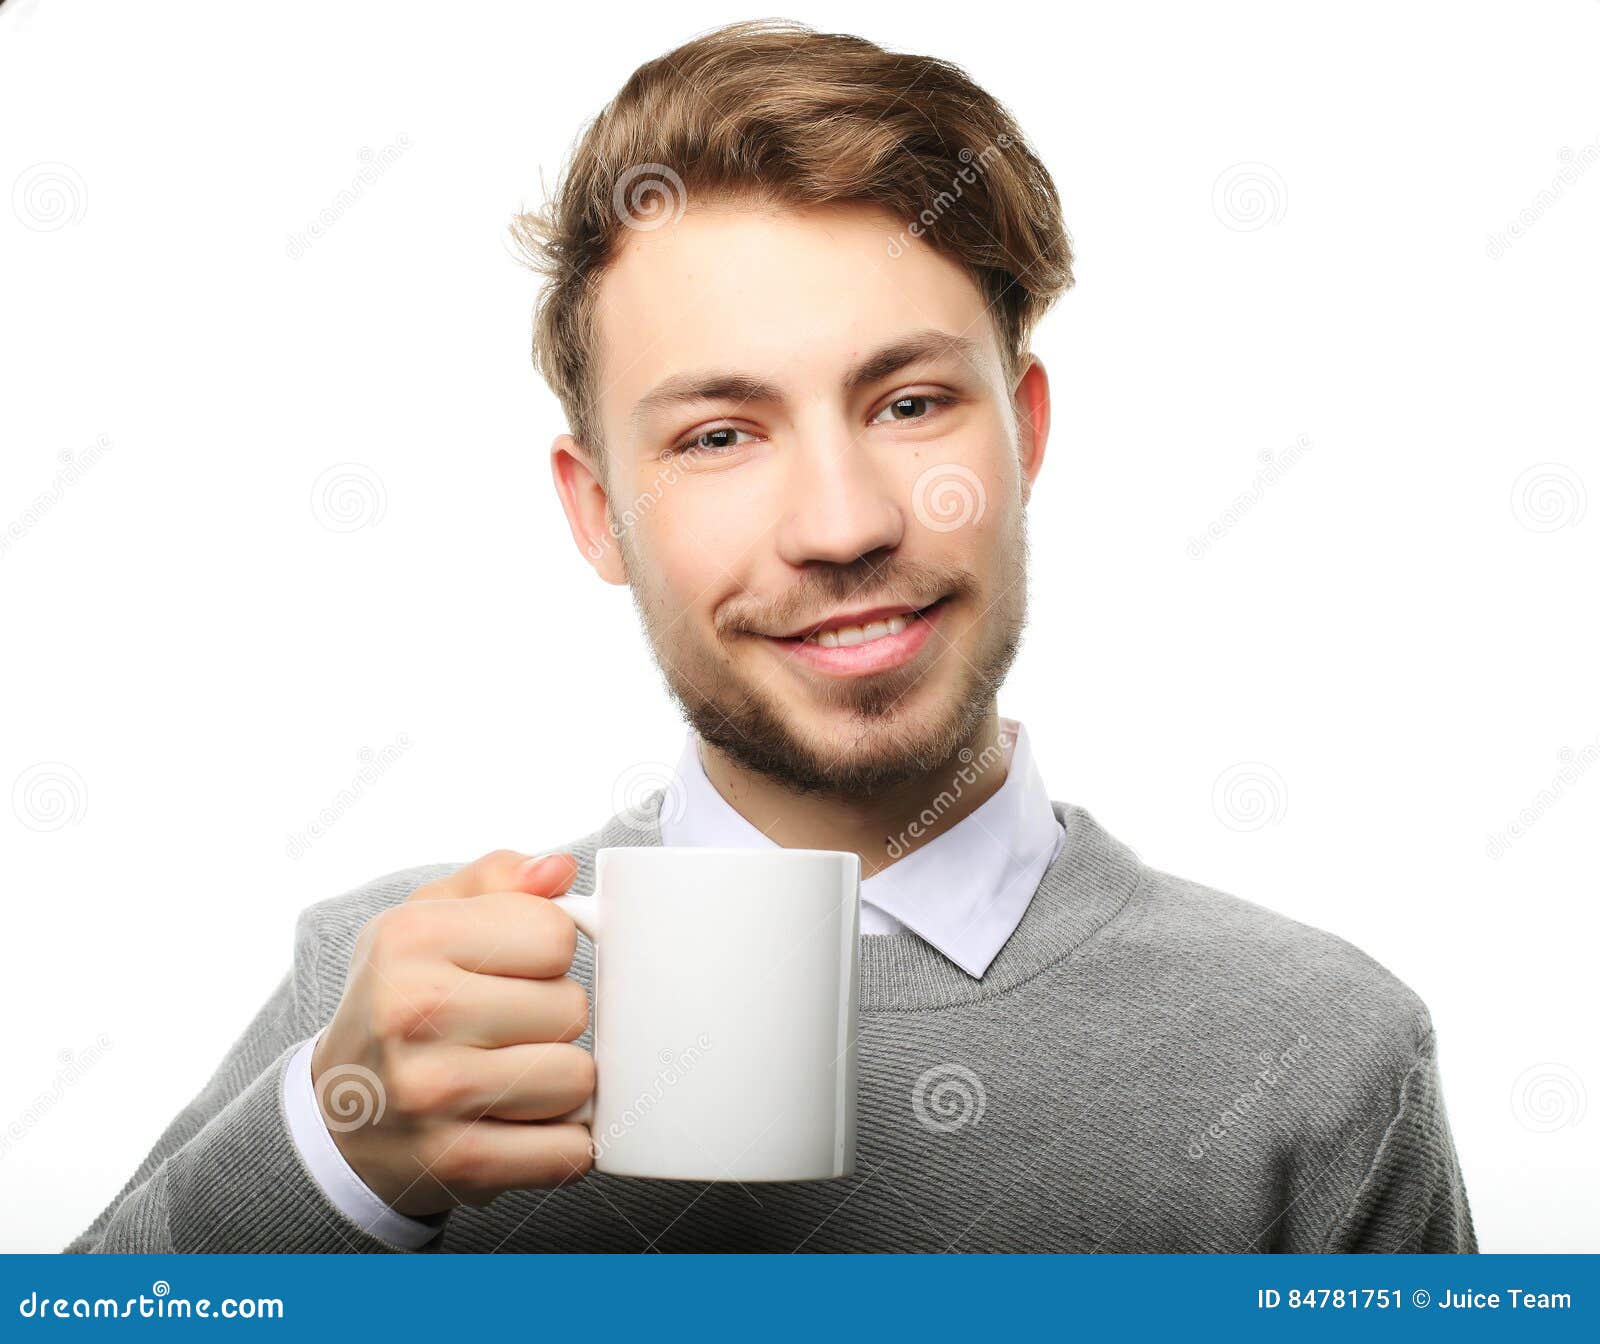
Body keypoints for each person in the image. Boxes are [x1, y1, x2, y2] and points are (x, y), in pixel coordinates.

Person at [68, 19, 1476, 1254]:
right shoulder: (390, 995)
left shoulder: (1321, 1057)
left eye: (912, 403)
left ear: (1027, 430)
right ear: (599, 514)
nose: (843, 522)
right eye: (721, 434)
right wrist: (333, 1155)